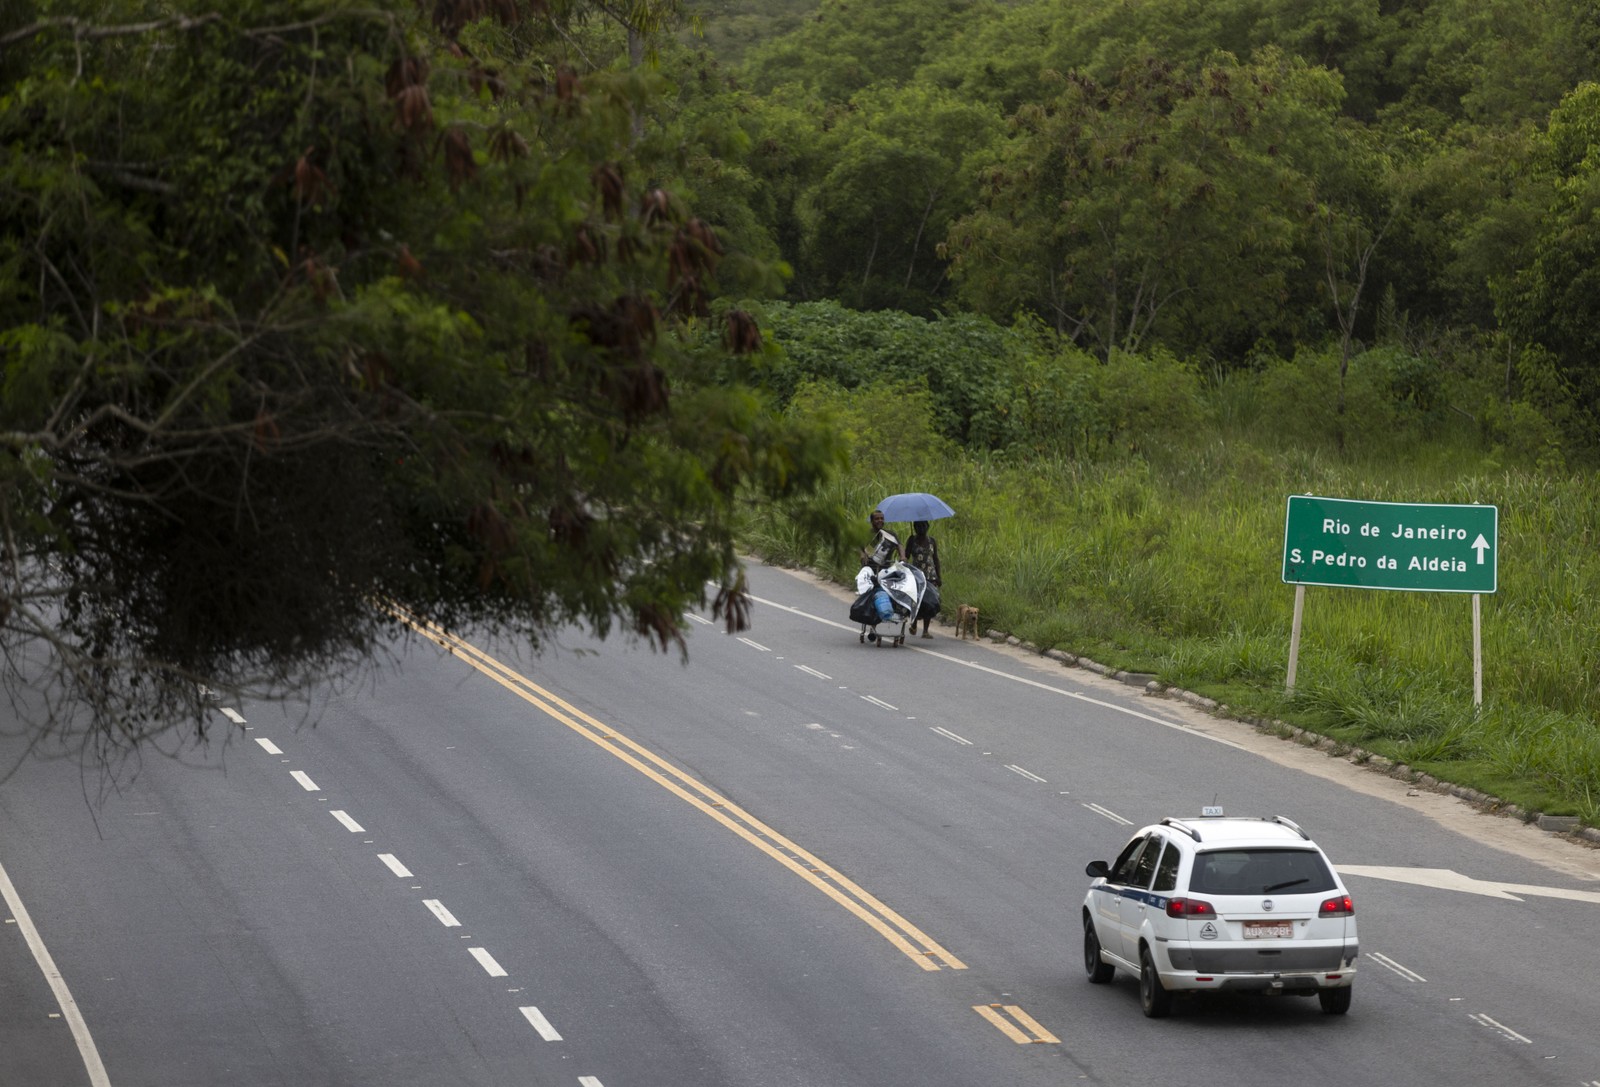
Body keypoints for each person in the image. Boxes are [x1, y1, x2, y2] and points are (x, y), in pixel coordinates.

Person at [904, 520, 941, 637]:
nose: (921, 528)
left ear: (928, 526)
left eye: (923, 526)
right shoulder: (912, 540)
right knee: (916, 600)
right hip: (916, 576)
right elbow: (906, 557)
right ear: (914, 527)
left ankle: (925, 630)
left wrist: (939, 577)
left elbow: (936, 559)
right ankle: (914, 623)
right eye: (918, 526)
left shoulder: (932, 541)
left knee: (930, 601)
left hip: (930, 576)